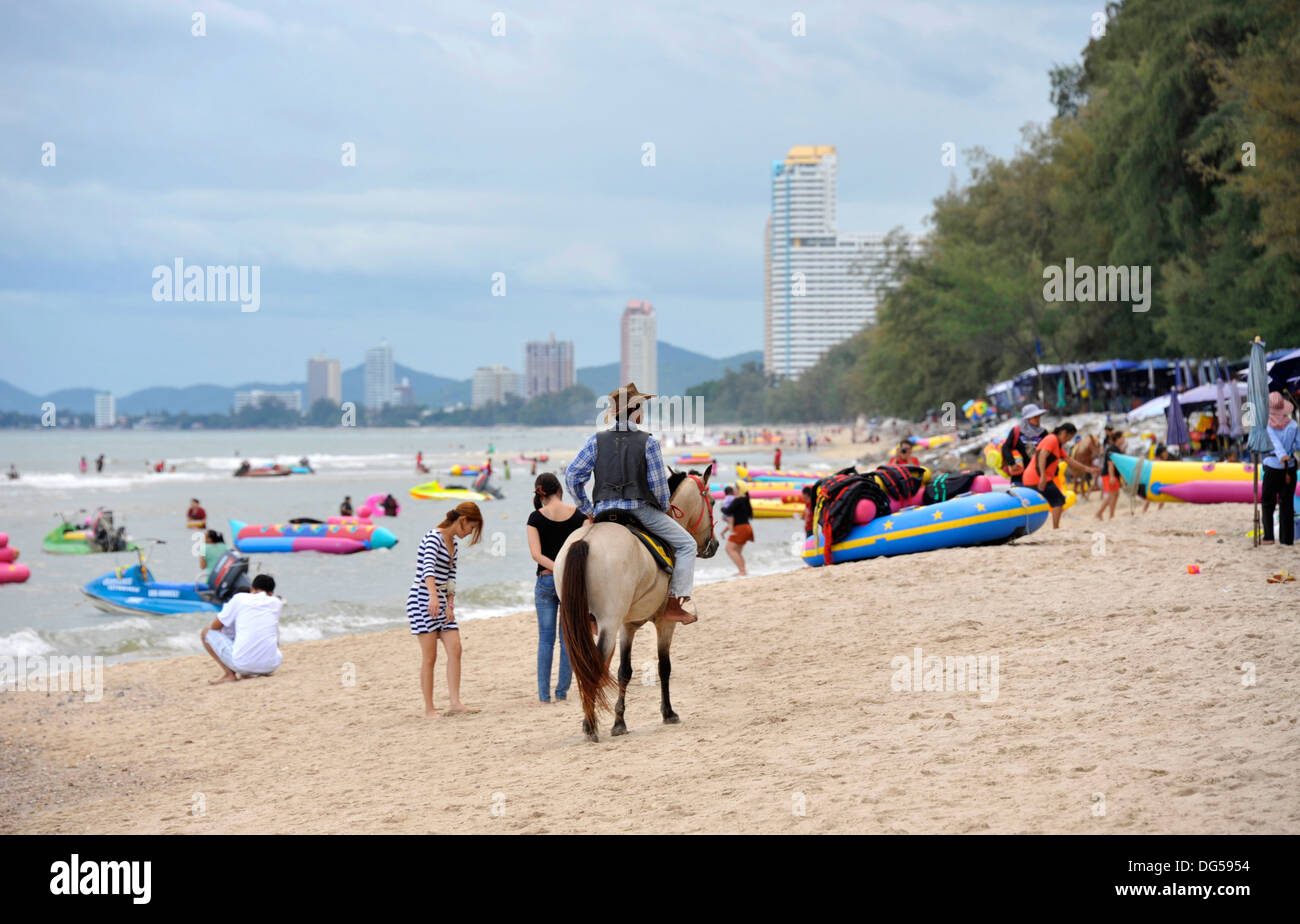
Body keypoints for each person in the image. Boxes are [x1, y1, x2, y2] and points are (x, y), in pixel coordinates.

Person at [565, 382, 699, 624]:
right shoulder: (648, 442)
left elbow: (573, 476)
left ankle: (590, 614)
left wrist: (587, 509)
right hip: (639, 511)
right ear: (635, 409)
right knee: (687, 544)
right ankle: (672, 604)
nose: (643, 411)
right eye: (642, 407)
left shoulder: (595, 441)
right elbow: (658, 486)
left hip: (604, 511)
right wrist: (664, 506)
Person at [407, 501, 483, 717]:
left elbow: (451, 578)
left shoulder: (454, 545)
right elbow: (427, 570)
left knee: (456, 648)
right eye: (471, 527)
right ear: (462, 520)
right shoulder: (434, 537)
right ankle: (429, 708)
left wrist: (450, 604)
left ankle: (455, 702)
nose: (470, 533)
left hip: (440, 601)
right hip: (422, 599)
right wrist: (433, 596)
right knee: (430, 657)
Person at [525, 474, 585, 704]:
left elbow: (536, 554)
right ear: (559, 489)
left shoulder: (535, 518)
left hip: (546, 580)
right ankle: (561, 692)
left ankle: (544, 696)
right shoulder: (579, 516)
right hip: (570, 582)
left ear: (540, 494)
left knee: (545, 640)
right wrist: (564, 569)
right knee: (567, 639)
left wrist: (555, 568)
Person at [201, 573, 283, 684]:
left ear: (252, 589)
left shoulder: (240, 598)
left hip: (243, 665)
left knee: (206, 632)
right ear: (271, 593)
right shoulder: (277, 603)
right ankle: (247, 672)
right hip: (272, 665)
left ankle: (229, 674)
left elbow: (215, 626)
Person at [1023, 422, 1099, 528]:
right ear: (1063, 433)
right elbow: (1042, 456)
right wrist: (1043, 476)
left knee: (1055, 501)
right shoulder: (1051, 439)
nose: (1068, 441)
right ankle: (1055, 527)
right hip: (1036, 478)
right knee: (1058, 500)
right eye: (1069, 438)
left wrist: (1088, 469)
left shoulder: (1057, 444)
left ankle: (1054, 527)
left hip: (1036, 478)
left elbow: (1069, 460)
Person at [1260, 391, 1299, 546]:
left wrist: (1282, 455)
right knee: (1286, 503)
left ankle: (1269, 537)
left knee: (1268, 502)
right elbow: (1298, 445)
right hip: (1290, 467)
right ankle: (1286, 539)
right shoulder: (1293, 424)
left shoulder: (1267, 425)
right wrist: (1287, 453)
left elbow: (1274, 443)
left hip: (1273, 466)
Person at [1001, 404, 1047, 485]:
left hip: (1037, 475)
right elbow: (1006, 447)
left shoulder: (1043, 433)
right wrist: (1012, 463)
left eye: (1038, 416)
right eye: (1034, 417)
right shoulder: (1016, 432)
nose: (1038, 419)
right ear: (1026, 419)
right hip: (1019, 476)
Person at [721, 485, 754, 576]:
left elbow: (727, 511)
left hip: (740, 528)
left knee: (729, 549)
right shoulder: (744, 500)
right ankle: (743, 570)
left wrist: (722, 507)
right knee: (737, 551)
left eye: (736, 488)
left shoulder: (738, 500)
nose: (734, 490)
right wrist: (724, 531)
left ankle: (742, 571)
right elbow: (733, 517)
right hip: (746, 527)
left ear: (740, 490)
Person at [1095, 431, 1125, 521]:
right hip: (1109, 474)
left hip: (1113, 474)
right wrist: (1111, 476)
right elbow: (1110, 464)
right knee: (1112, 495)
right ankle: (1100, 513)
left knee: (1115, 494)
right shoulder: (1112, 449)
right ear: (1118, 439)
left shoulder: (1116, 448)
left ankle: (1110, 515)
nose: (1124, 439)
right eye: (1123, 437)